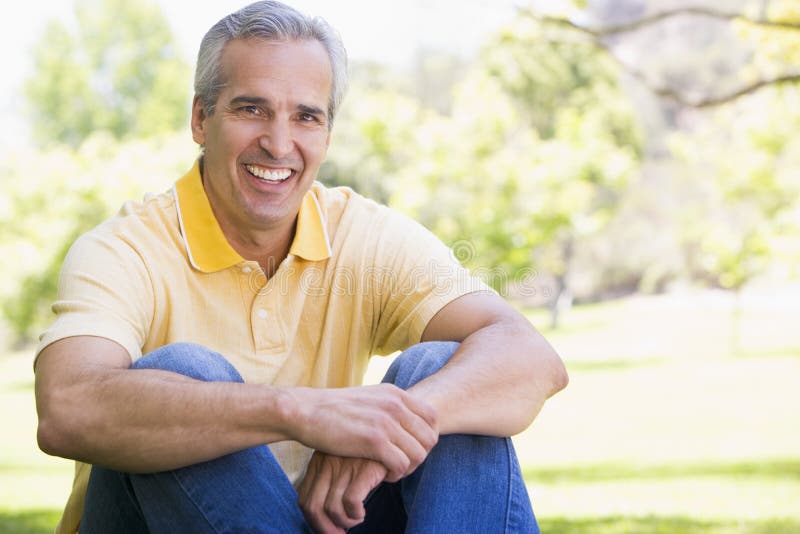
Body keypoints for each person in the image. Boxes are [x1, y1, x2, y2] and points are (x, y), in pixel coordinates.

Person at [33, 1, 568, 533]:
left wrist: (390, 428)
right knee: (187, 374)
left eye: (306, 116)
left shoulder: (363, 234)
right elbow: (67, 407)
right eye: (251, 109)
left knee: (444, 373)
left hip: (331, 518)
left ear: (327, 135)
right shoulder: (125, 249)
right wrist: (303, 414)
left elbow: (529, 357)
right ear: (201, 118)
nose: (280, 142)